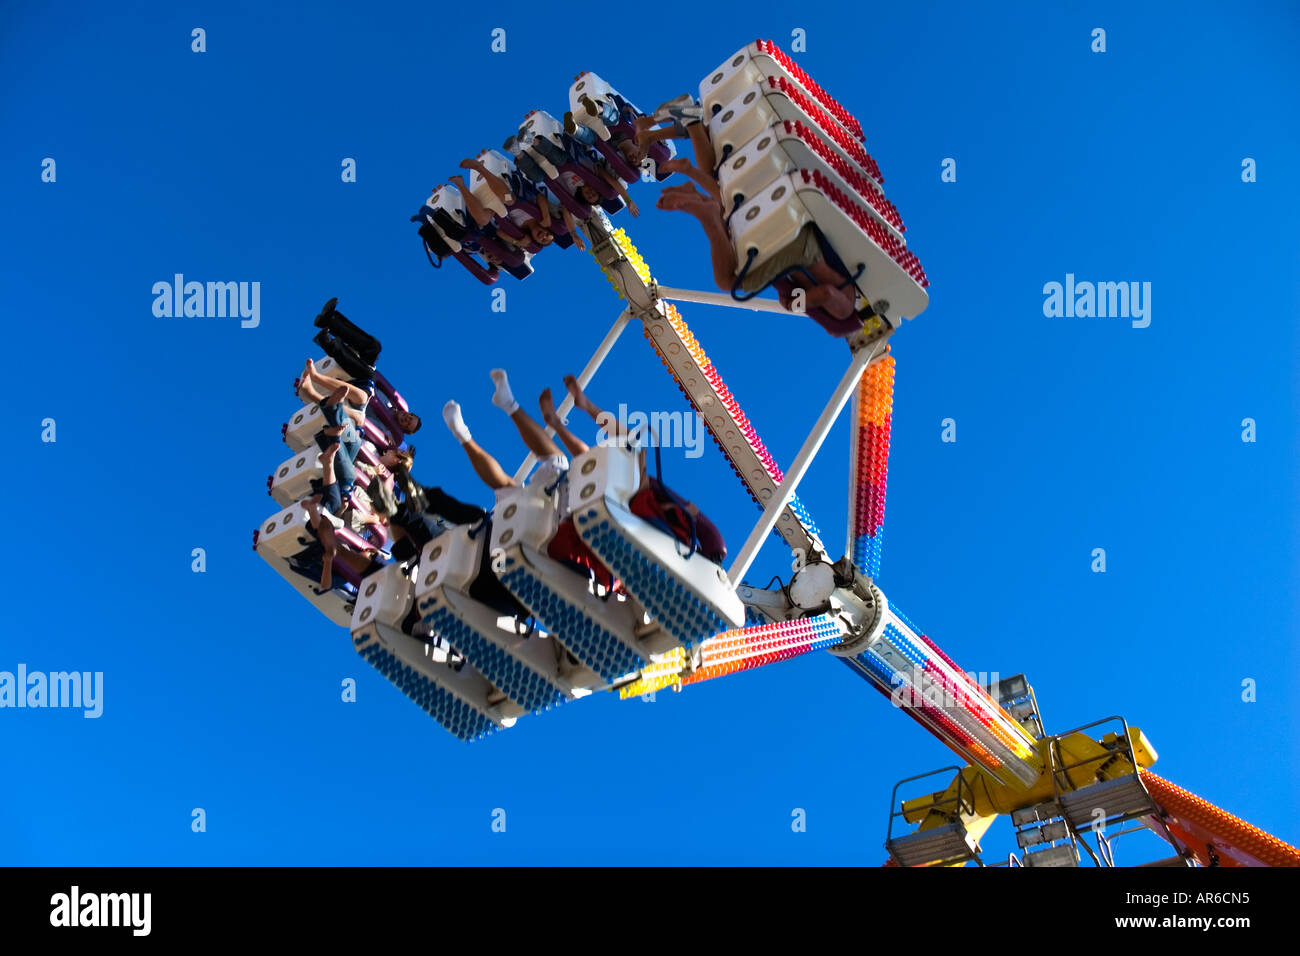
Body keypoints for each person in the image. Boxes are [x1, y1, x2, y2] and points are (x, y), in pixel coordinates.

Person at [637, 96, 861, 324]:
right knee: (728, 280)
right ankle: (707, 214)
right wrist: (795, 304)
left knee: (728, 191)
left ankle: (687, 140)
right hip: (797, 249)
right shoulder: (845, 310)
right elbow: (826, 294)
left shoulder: (851, 268)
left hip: (795, 224)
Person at [541, 376, 726, 564]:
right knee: (598, 464)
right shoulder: (701, 550)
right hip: (639, 517)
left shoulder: (698, 549)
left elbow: (692, 513)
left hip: (644, 513)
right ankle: (562, 419)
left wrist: (664, 497)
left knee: (632, 444)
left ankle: (581, 409)